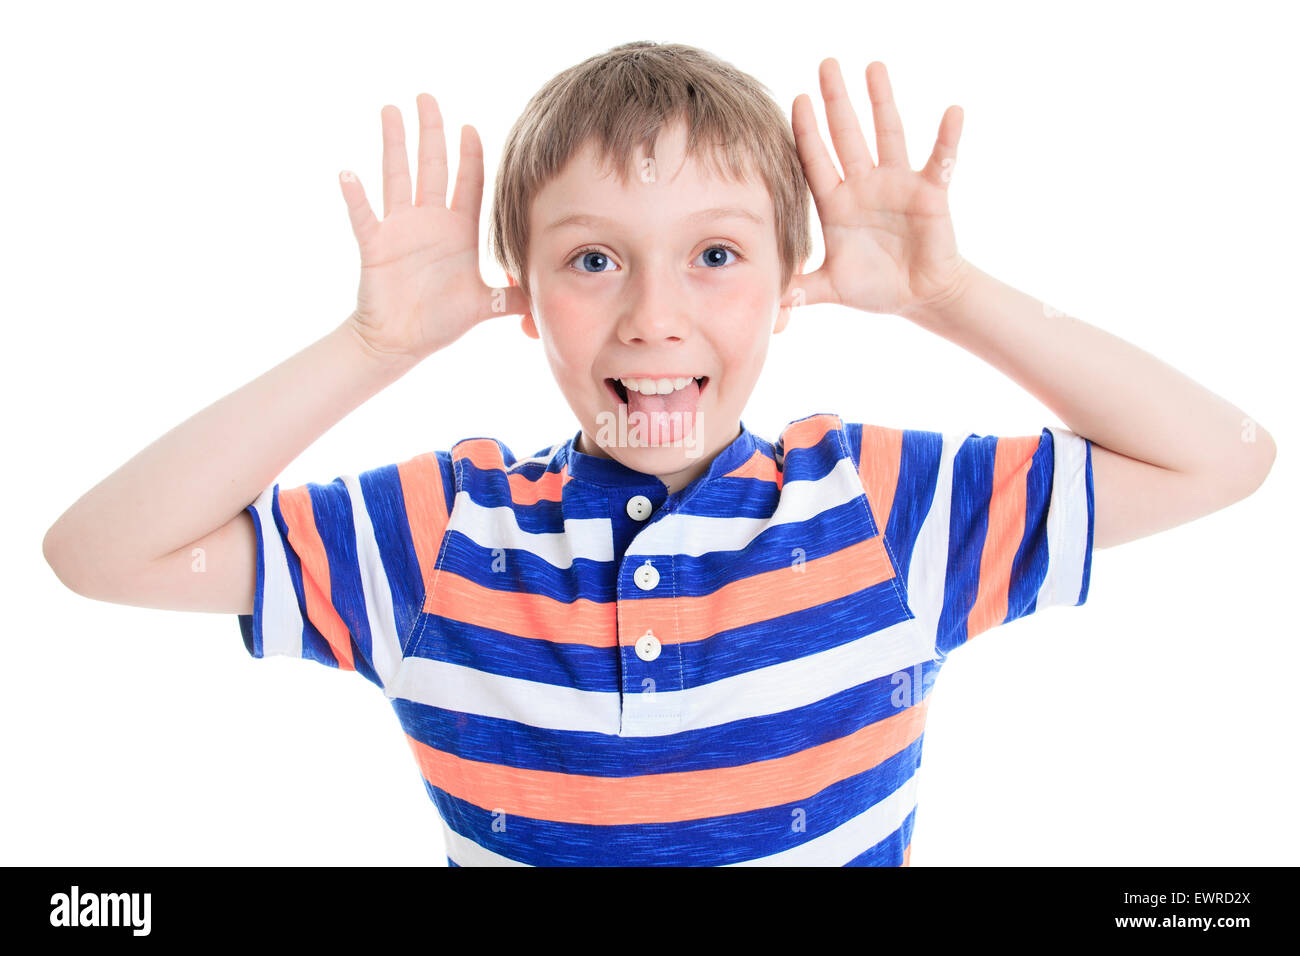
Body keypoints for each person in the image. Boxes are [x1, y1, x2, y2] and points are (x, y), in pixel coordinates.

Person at [42, 41, 1276, 866]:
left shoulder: (879, 507)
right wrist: (372, 345)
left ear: (789, 287)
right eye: (591, 259)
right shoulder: (439, 537)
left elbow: (1221, 458)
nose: (652, 314)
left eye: (716, 254)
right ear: (520, 294)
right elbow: (96, 551)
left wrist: (946, 294)